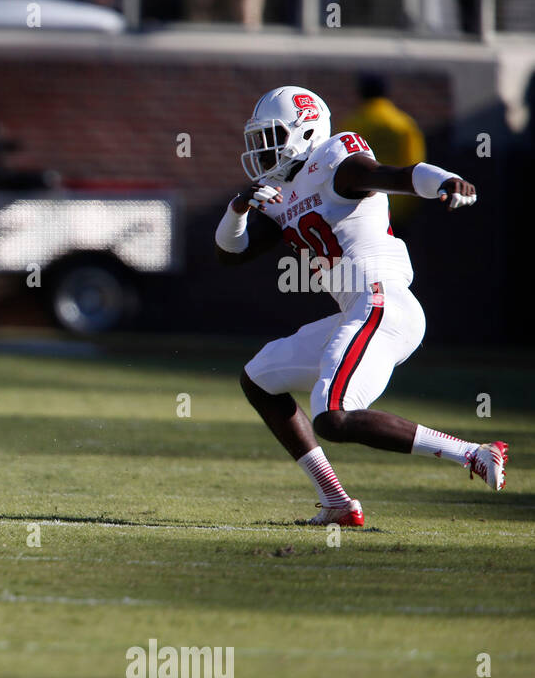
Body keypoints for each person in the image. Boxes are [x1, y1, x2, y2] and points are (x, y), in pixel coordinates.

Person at [217, 85, 507, 527]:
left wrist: (445, 181)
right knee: (258, 379)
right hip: (357, 311)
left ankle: (472, 453)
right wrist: (238, 210)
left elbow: (400, 175)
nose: (262, 149)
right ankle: (334, 500)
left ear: (305, 130)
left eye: (272, 135)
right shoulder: (283, 194)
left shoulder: (335, 162)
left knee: (332, 415)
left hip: (381, 303)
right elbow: (230, 254)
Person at [338, 74, 426, 224]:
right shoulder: (403, 123)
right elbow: (416, 161)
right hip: (402, 201)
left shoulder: (352, 124)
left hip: (362, 206)